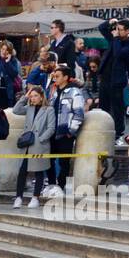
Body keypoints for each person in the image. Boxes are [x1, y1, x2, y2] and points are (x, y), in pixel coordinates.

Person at [44, 67, 86, 197]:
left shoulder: (74, 92)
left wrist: (71, 131)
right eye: (54, 76)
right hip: (52, 131)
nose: (55, 78)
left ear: (66, 77)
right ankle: (51, 185)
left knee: (64, 162)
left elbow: (79, 113)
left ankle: (60, 186)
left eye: (57, 76)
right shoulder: (54, 92)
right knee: (48, 160)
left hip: (65, 132)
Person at [98, 17, 129, 146]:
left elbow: (118, 54)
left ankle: (119, 134)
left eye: (120, 29)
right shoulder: (116, 38)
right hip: (105, 77)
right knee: (103, 106)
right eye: (117, 29)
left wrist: (115, 38)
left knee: (117, 108)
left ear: (128, 31)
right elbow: (101, 28)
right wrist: (110, 21)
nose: (117, 31)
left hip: (117, 80)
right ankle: (103, 129)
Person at [12, 85, 53, 208]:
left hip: (40, 145)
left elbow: (51, 128)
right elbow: (16, 110)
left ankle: (35, 198)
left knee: (39, 171)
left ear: (41, 97)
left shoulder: (48, 109)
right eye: (32, 96)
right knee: (22, 171)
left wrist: (41, 139)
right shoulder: (29, 108)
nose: (33, 98)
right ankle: (18, 197)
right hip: (26, 145)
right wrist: (25, 97)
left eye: (36, 96)